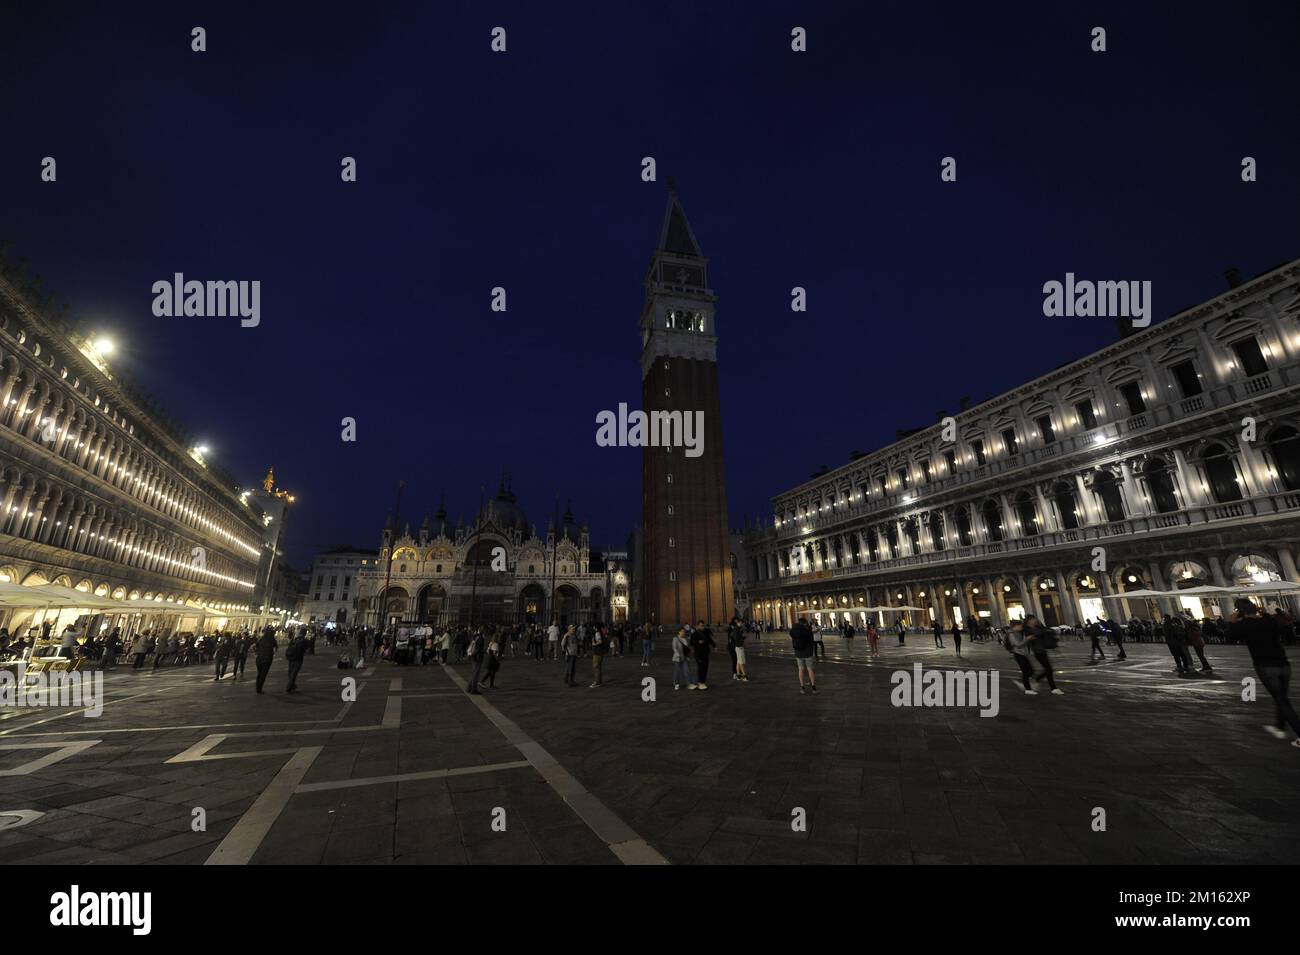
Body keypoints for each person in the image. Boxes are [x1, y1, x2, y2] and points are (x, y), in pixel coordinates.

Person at [1232, 598, 1300, 747]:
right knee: (1282, 697)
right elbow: (1281, 625)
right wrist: (1265, 614)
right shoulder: (1269, 621)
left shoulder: (1244, 625)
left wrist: (1233, 621)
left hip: (1265, 666)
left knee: (1282, 700)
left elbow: (1231, 636)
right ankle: (1279, 725)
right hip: (1283, 664)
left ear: (1240, 611)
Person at [1024, 615, 1063, 694]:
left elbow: (1045, 634)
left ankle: (1039, 680)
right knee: (1049, 669)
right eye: (1034, 619)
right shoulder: (1027, 629)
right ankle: (1053, 688)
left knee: (1048, 669)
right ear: (1029, 620)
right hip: (1037, 651)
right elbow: (1031, 638)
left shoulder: (1037, 627)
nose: (1035, 620)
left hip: (1042, 650)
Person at [1006, 619, 1037, 695]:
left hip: (1023, 654)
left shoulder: (1018, 633)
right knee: (1026, 671)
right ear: (1015, 626)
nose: (1021, 627)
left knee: (1030, 671)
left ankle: (1024, 684)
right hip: (1018, 654)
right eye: (1020, 626)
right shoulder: (1011, 634)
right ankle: (1028, 689)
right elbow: (1018, 644)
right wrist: (1027, 639)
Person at [790, 616, 817, 694]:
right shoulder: (807, 630)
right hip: (807, 652)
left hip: (798, 652)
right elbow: (811, 641)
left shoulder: (793, 630)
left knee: (800, 669)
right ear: (805, 623)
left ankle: (802, 686)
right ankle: (813, 686)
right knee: (809, 669)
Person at [690, 620, 715, 689]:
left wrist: (714, 646)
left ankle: (702, 682)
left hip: (706, 652)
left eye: (703, 625)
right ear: (697, 626)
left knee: (706, 667)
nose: (702, 627)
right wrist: (698, 642)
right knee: (701, 667)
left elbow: (710, 640)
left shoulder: (705, 633)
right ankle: (700, 682)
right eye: (701, 626)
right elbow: (691, 642)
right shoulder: (694, 634)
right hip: (698, 653)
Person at [254, 626, 277, 694]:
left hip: (259, 658)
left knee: (259, 673)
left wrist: (257, 652)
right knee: (263, 675)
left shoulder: (261, 639)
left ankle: (257, 687)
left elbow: (255, 646)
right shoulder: (273, 640)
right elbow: (276, 649)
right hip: (267, 659)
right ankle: (259, 688)